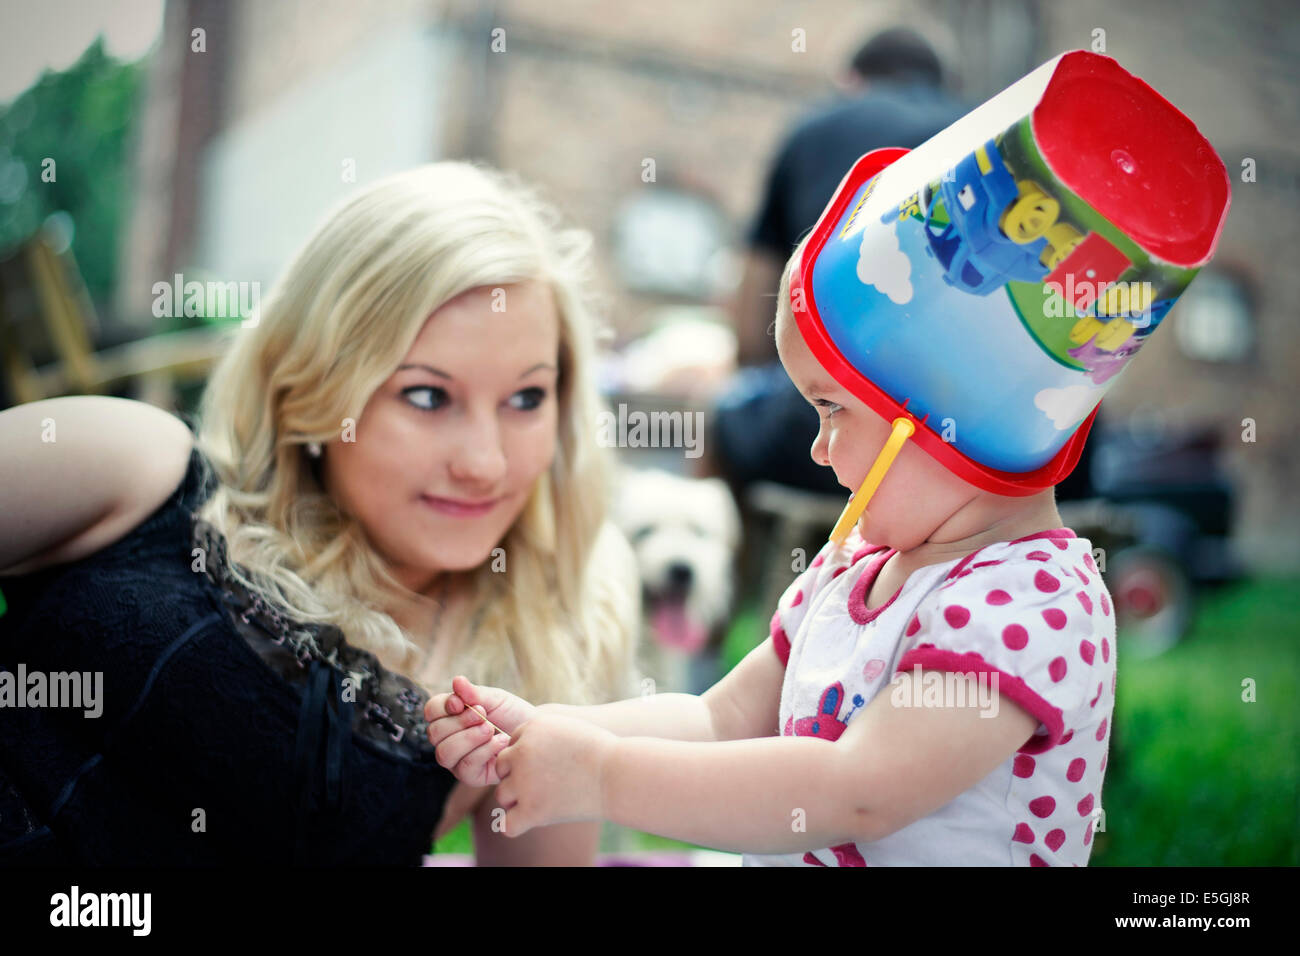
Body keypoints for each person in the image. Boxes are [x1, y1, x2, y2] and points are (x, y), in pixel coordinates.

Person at [0, 162, 641, 865]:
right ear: (317, 384)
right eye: (427, 396)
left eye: (526, 399)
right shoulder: (135, 468)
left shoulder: (533, 664)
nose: (485, 462)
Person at [425, 239, 1117, 866]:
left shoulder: (1030, 603)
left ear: (948, 412)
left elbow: (860, 792)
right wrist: (551, 727)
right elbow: (719, 720)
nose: (817, 448)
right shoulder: (852, 567)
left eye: (832, 408)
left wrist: (604, 777)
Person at [708, 27, 967, 496]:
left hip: (829, 439)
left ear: (849, 80)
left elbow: (751, 321)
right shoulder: (979, 133)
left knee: (721, 417)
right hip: (983, 446)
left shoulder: (811, 131)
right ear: (943, 84)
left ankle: (750, 564)